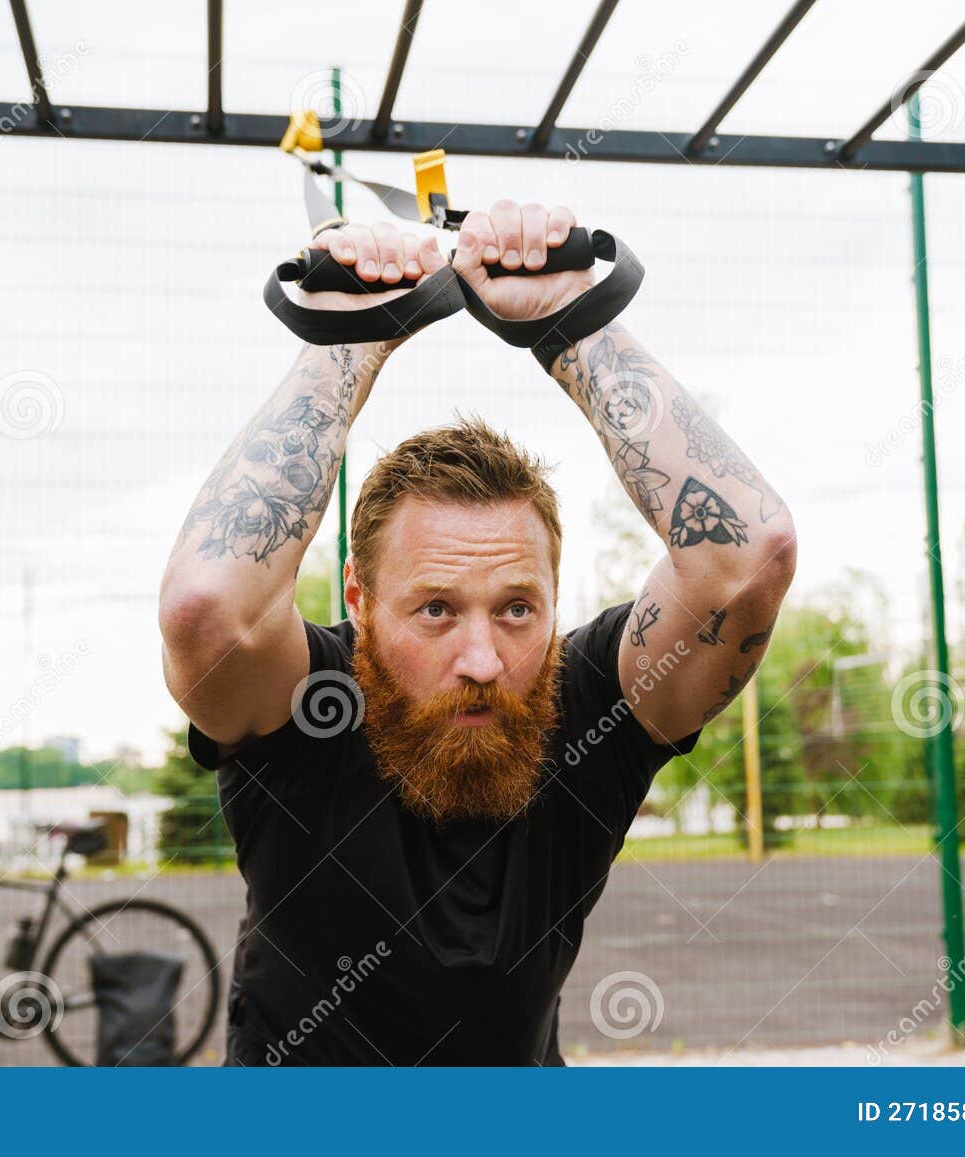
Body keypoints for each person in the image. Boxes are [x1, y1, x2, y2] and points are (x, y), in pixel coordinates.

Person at [158, 200, 797, 1065]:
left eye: (516, 607)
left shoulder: (586, 713)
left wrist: (572, 321)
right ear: (360, 598)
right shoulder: (308, 710)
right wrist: (346, 344)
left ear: (553, 597)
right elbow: (206, 607)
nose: (483, 659)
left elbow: (749, 556)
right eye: (435, 609)